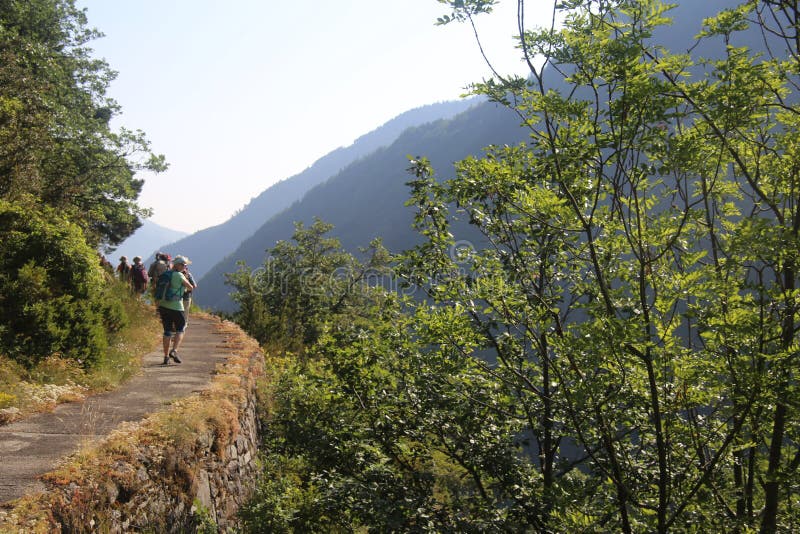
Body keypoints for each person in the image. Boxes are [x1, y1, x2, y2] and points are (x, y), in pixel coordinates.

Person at [155, 255, 194, 365]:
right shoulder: (179, 275)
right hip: (176, 306)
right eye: (183, 264)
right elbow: (190, 287)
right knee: (180, 329)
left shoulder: (166, 275)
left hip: (163, 306)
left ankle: (166, 357)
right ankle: (174, 350)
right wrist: (183, 288)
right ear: (178, 265)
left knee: (167, 331)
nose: (185, 267)